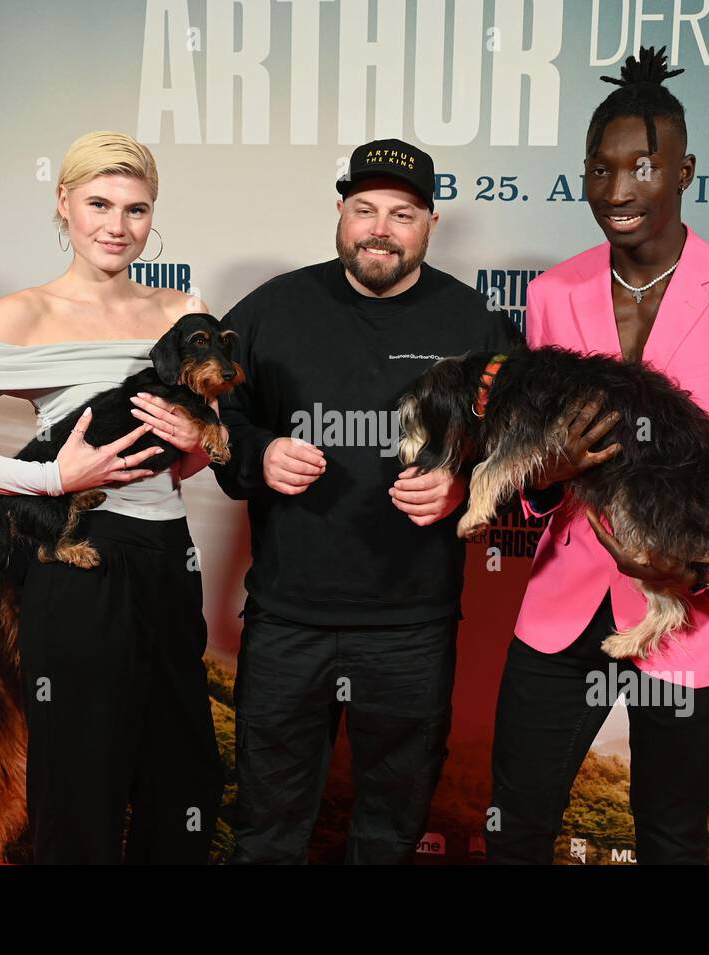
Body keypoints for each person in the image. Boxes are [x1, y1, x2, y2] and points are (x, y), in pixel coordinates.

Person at [484, 47, 709, 864]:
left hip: (692, 610)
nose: (617, 190)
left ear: (683, 170)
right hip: (563, 606)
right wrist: (541, 480)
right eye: (599, 169)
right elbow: (542, 467)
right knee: (515, 821)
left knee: (672, 835)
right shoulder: (553, 293)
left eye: (642, 166)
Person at [0, 131, 224, 864]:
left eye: (137, 209)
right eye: (99, 204)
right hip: (76, 566)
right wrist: (55, 478)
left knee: (185, 782)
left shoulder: (185, 309)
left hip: (167, 558)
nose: (117, 226)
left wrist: (193, 442)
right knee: (79, 788)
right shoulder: (22, 315)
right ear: (64, 204)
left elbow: (194, 460)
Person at [212, 138, 523, 864]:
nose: (380, 228)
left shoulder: (473, 322)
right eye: (365, 209)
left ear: (431, 225)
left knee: (389, 835)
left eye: (403, 213)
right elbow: (214, 418)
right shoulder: (269, 310)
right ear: (341, 213)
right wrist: (259, 453)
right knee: (264, 833)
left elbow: (526, 445)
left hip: (411, 629)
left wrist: (463, 481)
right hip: (288, 621)